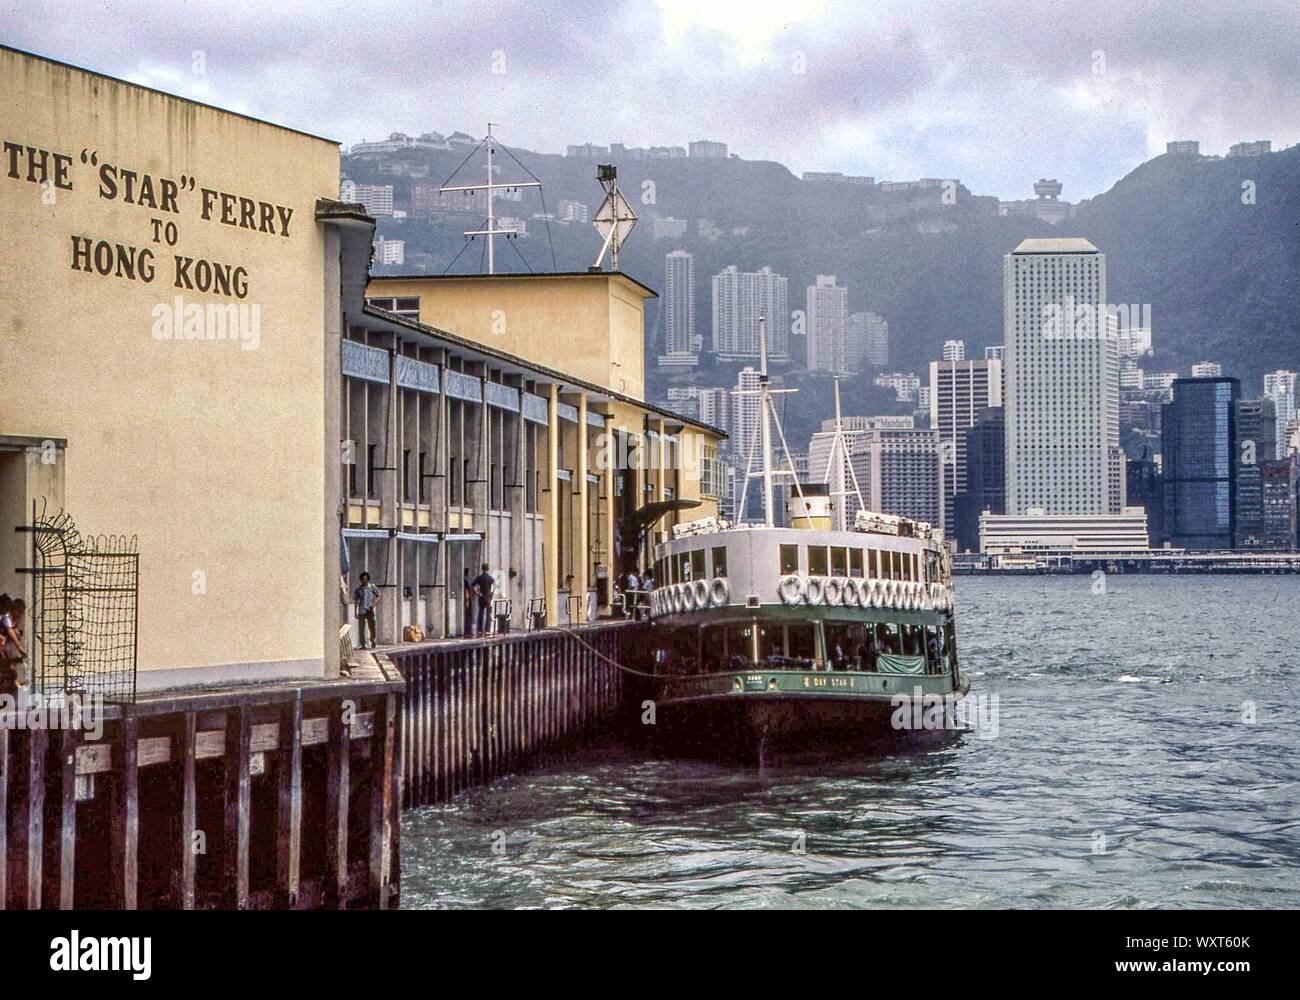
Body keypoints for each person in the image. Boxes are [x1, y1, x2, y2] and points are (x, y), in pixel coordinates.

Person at [1, 596, 30, 694]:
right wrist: (20, 648)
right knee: (10, 672)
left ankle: (20, 697)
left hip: (6, 652)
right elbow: (9, 631)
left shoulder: (12, 620)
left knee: (11, 672)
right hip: (4, 652)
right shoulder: (5, 617)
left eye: (21, 613)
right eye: (18, 611)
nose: (19, 614)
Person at [352, 572, 381, 649]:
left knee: (372, 626)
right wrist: (355, 611)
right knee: (361, 627)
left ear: (368, 579)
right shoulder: (359, 589)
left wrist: (374, 603)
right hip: (362, 609)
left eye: (365, 579)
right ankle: (363, 644)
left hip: (369, 609)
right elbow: (356, 601)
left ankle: (372, 639)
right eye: (362, 579)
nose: (364, 581)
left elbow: (379, 596)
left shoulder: (372, 587)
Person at [471, 563, 496, 636]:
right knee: (488, 614)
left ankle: (479, 631)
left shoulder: (479, 577)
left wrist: (477, 593)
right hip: (488, 597)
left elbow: (472, 584)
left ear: (482, 569)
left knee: (480, 613)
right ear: (488, 569)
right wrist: (492, 593)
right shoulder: (490, 578)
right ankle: (487, 630)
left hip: (481, 597)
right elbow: (495, 586)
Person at [462, 567, 474, 636]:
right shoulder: (466, 581)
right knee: (468, 615)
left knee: (468, 615)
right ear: (467, 573)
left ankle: (468, 631)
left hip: (468, 599)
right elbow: (466, 591)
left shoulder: (465, 580)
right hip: (468, 600)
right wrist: (467, 601)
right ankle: (468, 631)